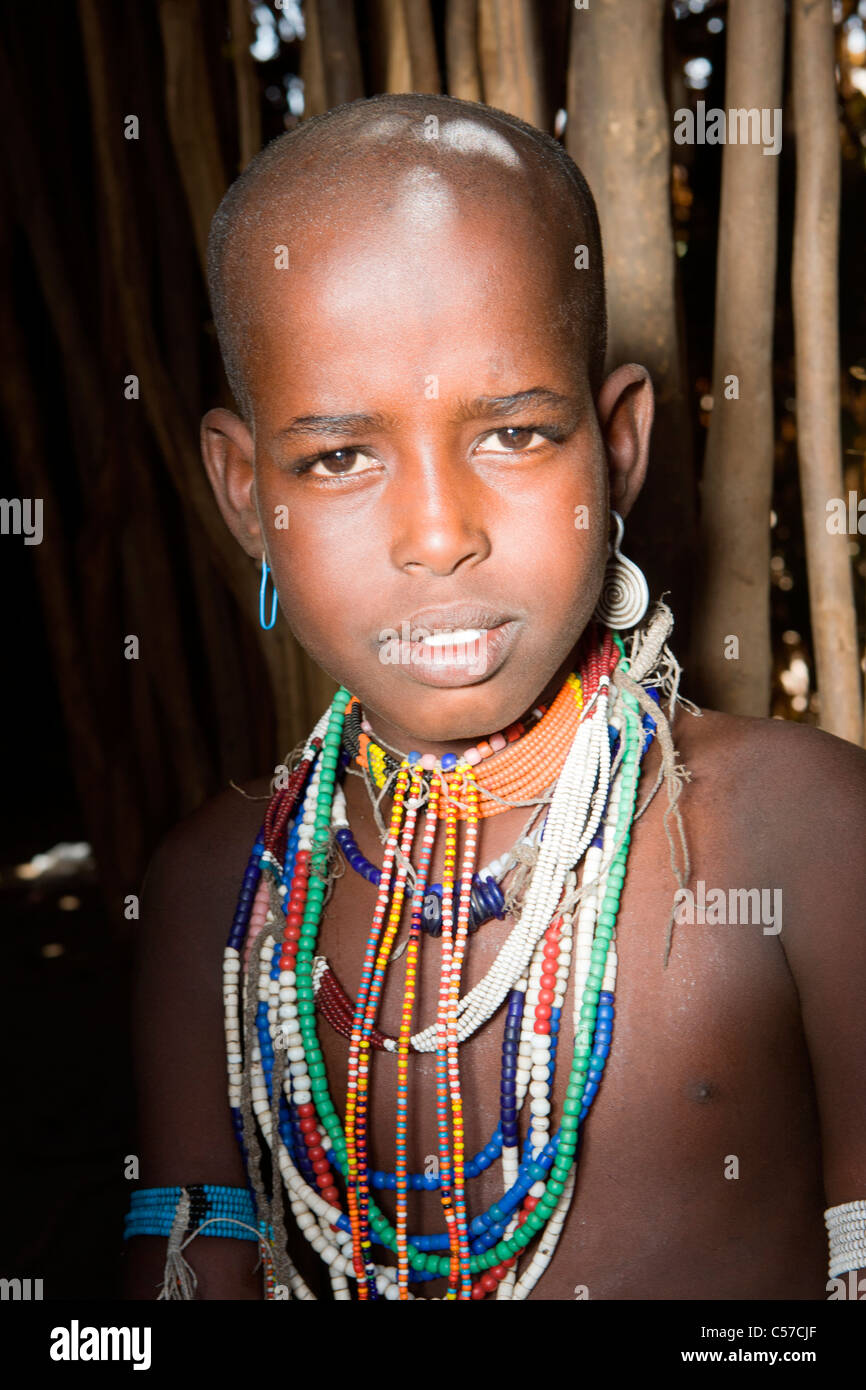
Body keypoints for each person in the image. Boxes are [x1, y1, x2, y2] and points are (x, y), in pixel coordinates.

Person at [122, 93, 866, 1301]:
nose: (437, 534)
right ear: (247, 493)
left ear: (614, 445)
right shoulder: (217, 896)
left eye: (514, 434)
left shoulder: (808, 831)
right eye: (338, 457)